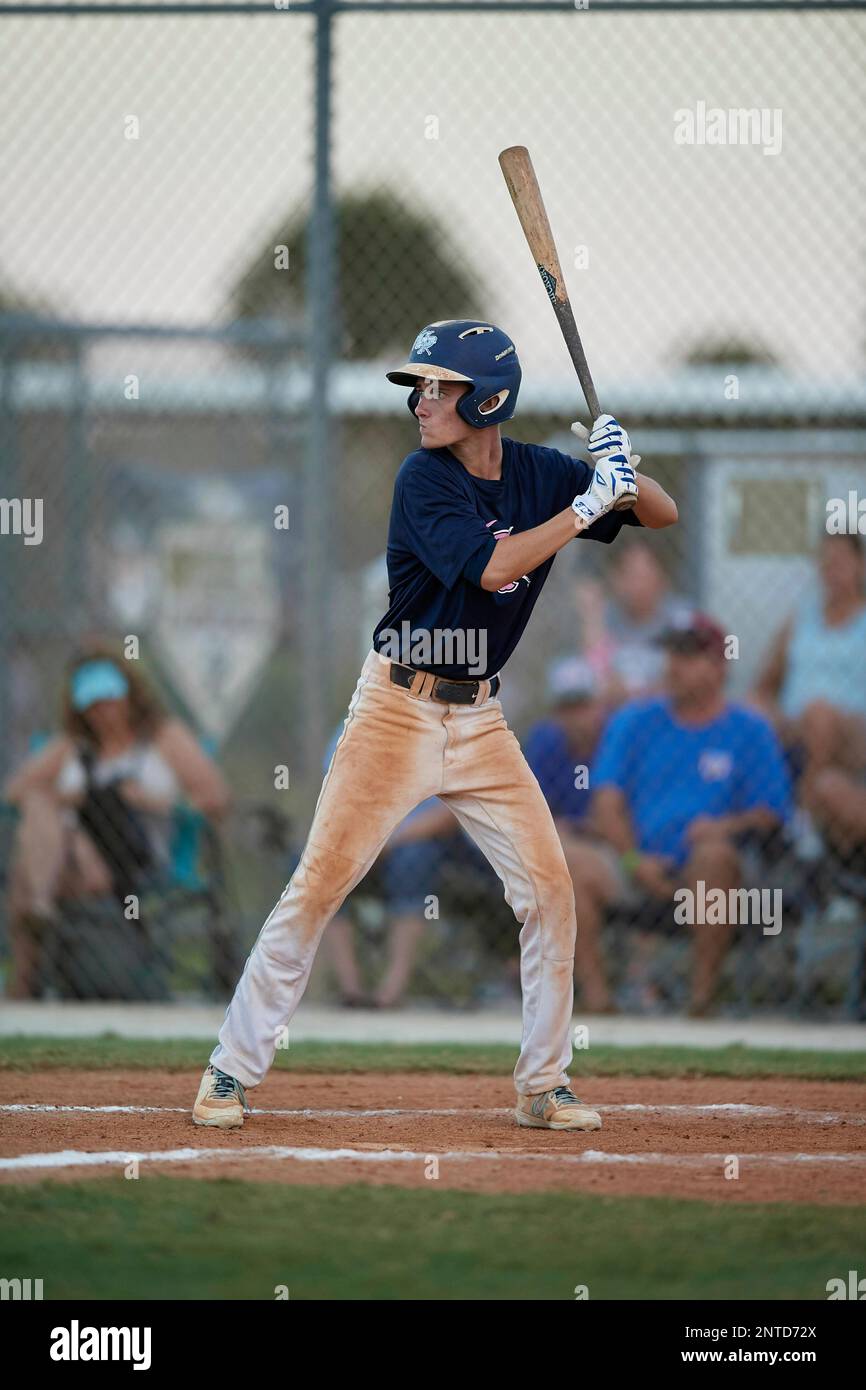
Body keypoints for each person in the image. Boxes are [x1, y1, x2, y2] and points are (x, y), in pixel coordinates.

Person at [193, 318, 677, 1132]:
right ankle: (228, 1072)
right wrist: (587, 504)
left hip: (480, 718)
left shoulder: (541, 474)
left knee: (551, 889)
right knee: (320, 885)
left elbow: (658, 514)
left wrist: (621, 468)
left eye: (439, 387)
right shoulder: (423, 479)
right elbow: (494, 568)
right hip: (396, 709)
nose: (422, 400)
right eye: (420, 385)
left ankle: (543, 1083)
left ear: (486, 399)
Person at [589, 612, 792, 1015]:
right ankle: (599, 1005)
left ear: (719, 666)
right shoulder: (634, 720)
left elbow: (773, 813)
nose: (674, 666)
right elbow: (606, 803)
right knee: (566, 859)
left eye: (689, 655)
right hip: (635, 864)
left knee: (714, 855)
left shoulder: (750, 730)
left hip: (710, 873)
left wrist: (723, 827)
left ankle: (701, 1003)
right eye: (671, 654)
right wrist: (634, 860)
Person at [4, 646, 231, 998]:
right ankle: (39, 905)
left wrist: (151, 801)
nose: (102, 712)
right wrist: (73, 799)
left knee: (29, 870)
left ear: (129, 693)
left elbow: (216, 799)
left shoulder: (164, 738)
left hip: (135, 860)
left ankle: (24, 978)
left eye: (109, 699)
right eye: (92, 704)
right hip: (70, 862)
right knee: (40, 805)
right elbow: (15, 792)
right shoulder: (72, 747)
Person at [523, 656, 621, 1013]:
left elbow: (617, 818)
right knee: (565, 865)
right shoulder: (546, 741)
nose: (578, 717)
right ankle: (594, 993)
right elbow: (534, 813)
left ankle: (593, 990)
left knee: (564, 862)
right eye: (568, 708)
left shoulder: (617, 736)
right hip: (567, 852)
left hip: (618, 853)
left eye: (585, 705)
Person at [751, 532, 866, 819]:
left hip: (853, 729)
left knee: (820, 715)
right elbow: (765, 683)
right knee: (748, 709)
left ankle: (803, 816)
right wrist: (765, 709)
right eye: (825, 562)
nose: (831, 569)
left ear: (860, 565)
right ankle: (760, 815)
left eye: (840, 561)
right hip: (797, 723)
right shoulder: (801, 618)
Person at [578, 534, 692, 704]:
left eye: (644, 575)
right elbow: (593, 681)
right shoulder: (602, 617)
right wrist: (592, 617)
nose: (637, 585)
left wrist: (638, 692)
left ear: (662, 578)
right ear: (614, 579)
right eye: (628, 574)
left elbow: (688, 679)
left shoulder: (681, 618)